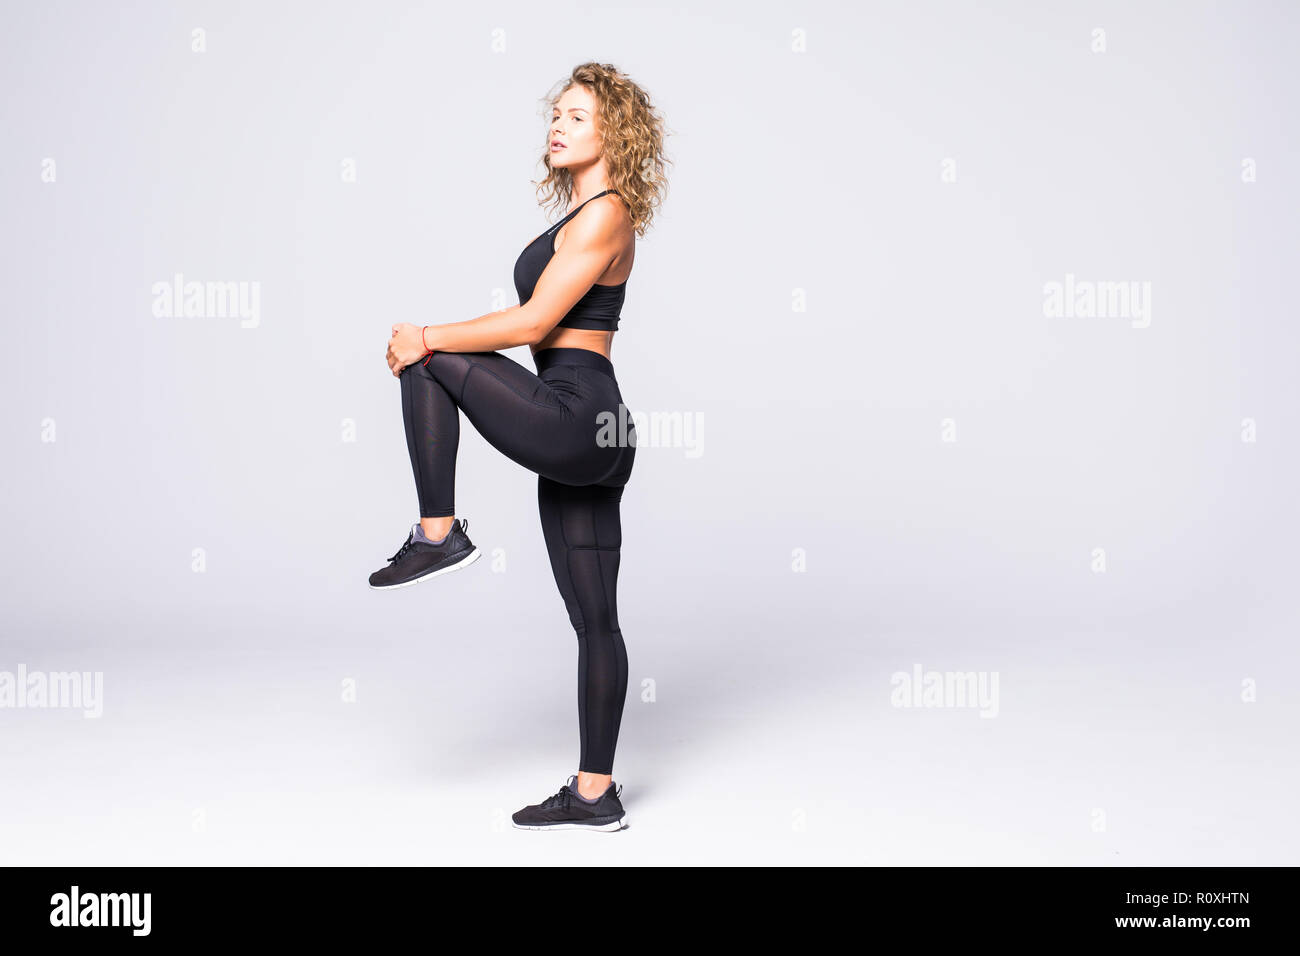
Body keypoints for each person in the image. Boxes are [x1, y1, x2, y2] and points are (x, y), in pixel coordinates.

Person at [374, 62, 669, 831]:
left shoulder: (608, 214)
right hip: (594, 428)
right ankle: (596, 795)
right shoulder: (575, 218)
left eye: (576, 115)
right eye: (555, 114)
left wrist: (426, 335)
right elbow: (536, 321)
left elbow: (535, 324)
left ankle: (437, 534)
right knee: (593, 620)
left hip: (577, 412)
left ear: (614, 131)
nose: (558, 125)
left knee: (427, 358)